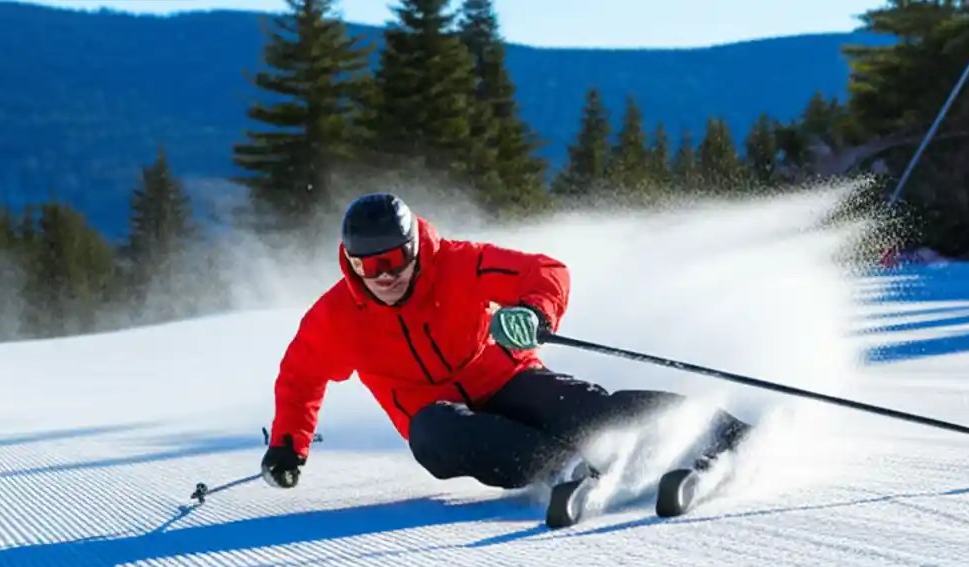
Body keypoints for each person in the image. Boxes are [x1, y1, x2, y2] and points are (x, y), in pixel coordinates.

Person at [259, 193, 750, 520]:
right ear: (351, 262)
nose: (382, 275)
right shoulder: (338, 315)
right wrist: (287, 445)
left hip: (504, 376)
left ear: (413, 248)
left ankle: (719, 430)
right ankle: (564, 469)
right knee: (433, 433)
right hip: (440, 419)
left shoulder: (456, 263)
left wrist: (536, 311)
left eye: (392, 261)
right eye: (368, 265)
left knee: (579, 408)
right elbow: (300, 376)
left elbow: (545, 270)